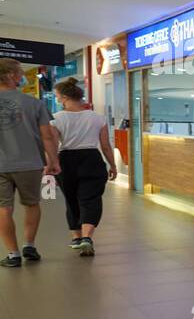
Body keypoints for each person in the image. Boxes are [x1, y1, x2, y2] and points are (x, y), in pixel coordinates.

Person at [0, 58, 59, 268]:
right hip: (30, 163)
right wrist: (54, 160)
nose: (22, 77)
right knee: (32, 204)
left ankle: (13, 254)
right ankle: (29, 245)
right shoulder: (34, 103)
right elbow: (48, 137)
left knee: (3, 209)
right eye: (19, 73)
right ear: (10, 76)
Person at [50, 78, 115, 256]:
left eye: (57, 96)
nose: (57, 100)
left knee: (71, 200)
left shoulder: (55, 119)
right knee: (91, 199)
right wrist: (113, 165)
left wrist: (51, 166)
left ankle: (76, 238)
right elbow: (106, 146)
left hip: (66, 160)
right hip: (92, 159)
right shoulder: (97, 118)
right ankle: (87, 238)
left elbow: (53, 146)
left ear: (64, 97)